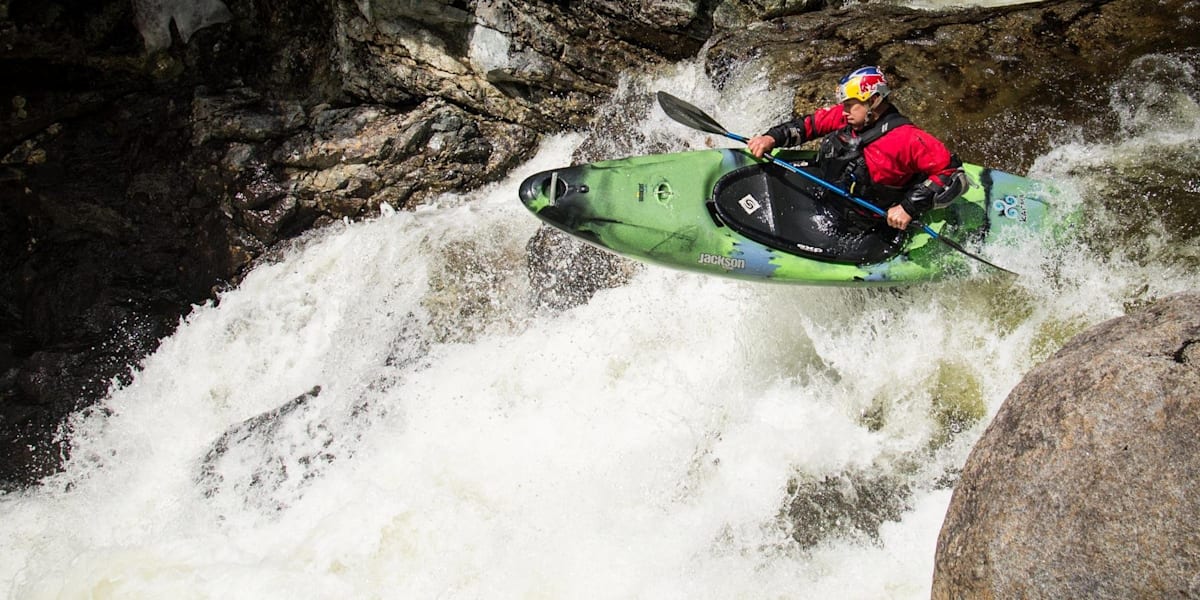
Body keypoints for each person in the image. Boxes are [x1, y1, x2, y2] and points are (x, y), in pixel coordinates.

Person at [746, 66, 967, 232]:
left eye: (851, 104)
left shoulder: (907, 139)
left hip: (868, 222)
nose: (844, 111)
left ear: (874, 100)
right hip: (830, 195)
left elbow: (950, 171)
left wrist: (908, 208)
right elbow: (809, 125)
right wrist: (771, 137)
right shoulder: (848, 118)